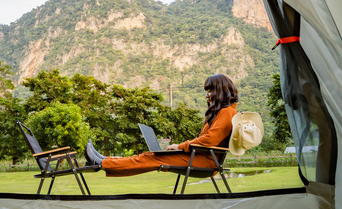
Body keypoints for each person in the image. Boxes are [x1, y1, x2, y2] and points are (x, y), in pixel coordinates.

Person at [84, 74, 238, 176]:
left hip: (205, 162)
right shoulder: (222, 112)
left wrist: (179, 146)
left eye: (210, 91)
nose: (207, 95)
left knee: (151, 158)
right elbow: (207, 140)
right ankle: (104, 161)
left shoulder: (227, 112)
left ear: (220, 91)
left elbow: (209, 140)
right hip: (198, 157)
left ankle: (102, 163)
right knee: (150, 156)